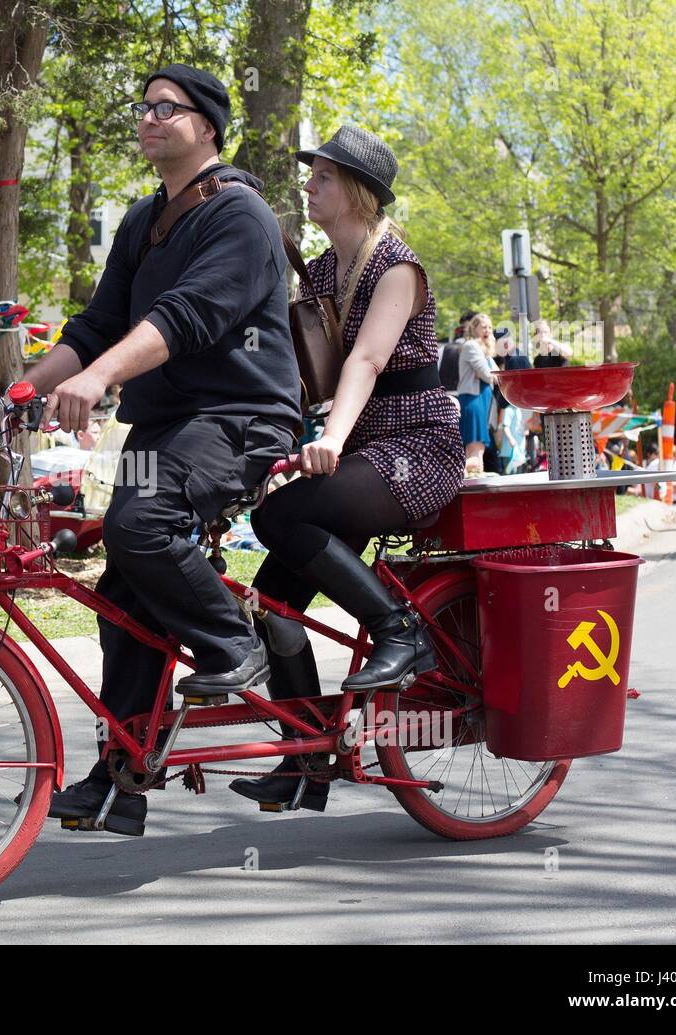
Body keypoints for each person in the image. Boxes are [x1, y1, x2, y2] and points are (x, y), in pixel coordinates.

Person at [21, 63, 300, 835]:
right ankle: (124, 774)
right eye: (142, 107)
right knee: (122, 596)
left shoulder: (240, 215)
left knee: (139, 525)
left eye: (166, 109)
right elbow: (97, 324)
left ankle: (233, 645)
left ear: (207, 125)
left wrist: (104, 376)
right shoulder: (143, 220)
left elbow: (188, 316)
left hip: (239, 417)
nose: (148, 118)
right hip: (165, 426)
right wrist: (20, 392)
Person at [231, 125, 465, 811]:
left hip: (416, 450)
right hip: (365, 452)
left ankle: (402, 630)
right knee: (272, 605)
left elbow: (362, 362)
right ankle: (306, 758)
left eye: (323, 177)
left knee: (282, 515)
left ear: (358, 193)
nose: (310, 186)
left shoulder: (396, 267)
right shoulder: (327, 270)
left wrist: (329, 437)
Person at [457, 313, 499, 474]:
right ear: (474, 328)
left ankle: (473, 479)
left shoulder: (484, 350)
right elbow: (488, 374)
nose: (487, 330)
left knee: (478, 448)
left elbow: (495, 374)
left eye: (489, 327)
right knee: (475, 447)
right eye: (483, 327)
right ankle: (456, 473)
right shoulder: (472, 346)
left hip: (482, 399)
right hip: (473, 400)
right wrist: (500, 377)